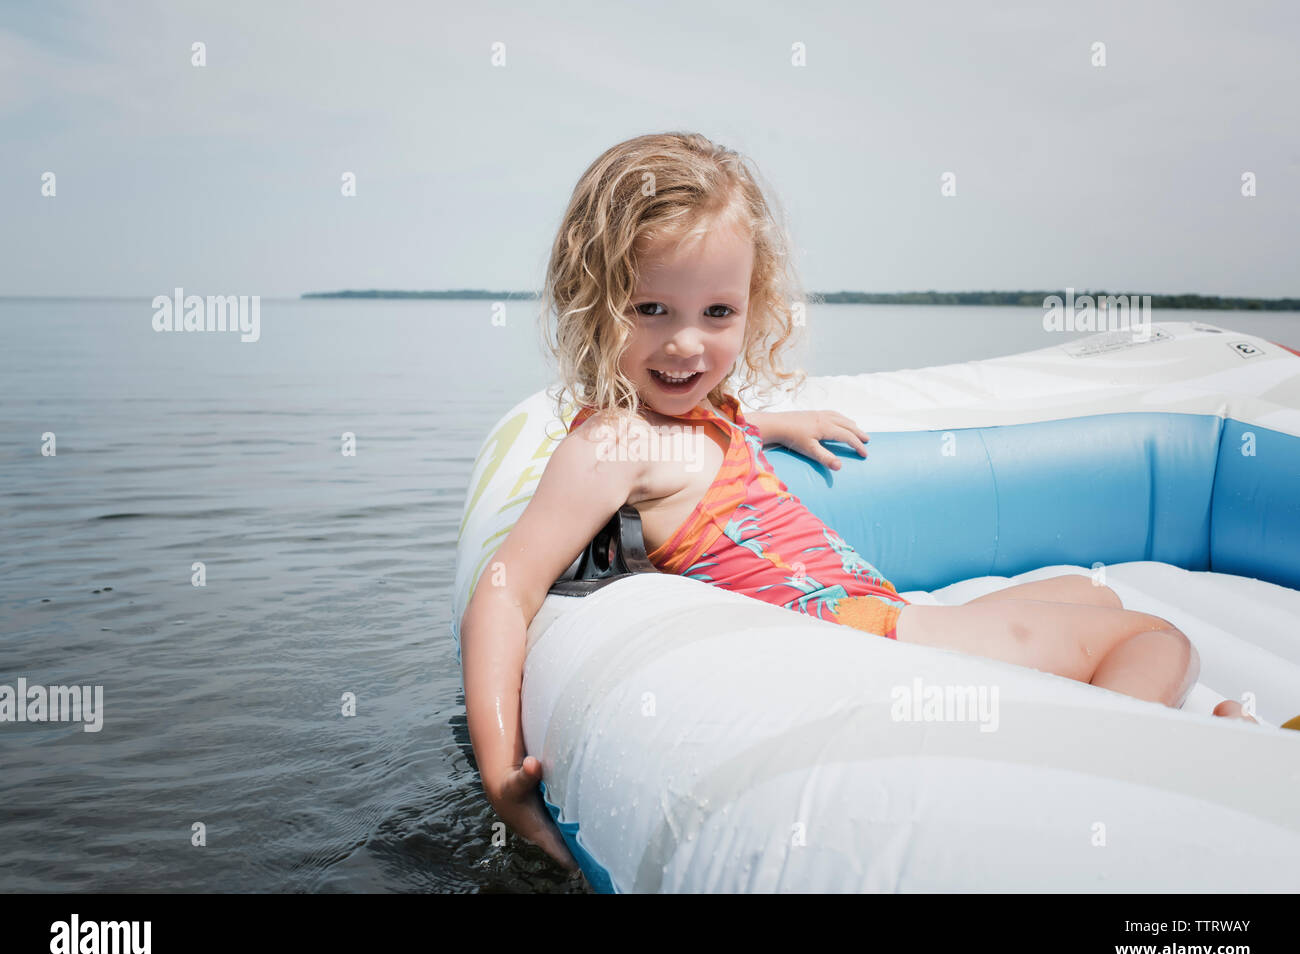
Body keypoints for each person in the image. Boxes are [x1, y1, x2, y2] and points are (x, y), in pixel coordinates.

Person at [458, 132, 1257, 875]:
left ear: (751, 302)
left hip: (877, 609)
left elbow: (703, 452)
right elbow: (505, 590)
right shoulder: (612, 445)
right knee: (1155, 639)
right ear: (593, 301)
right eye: (651, 309)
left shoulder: (692, 417)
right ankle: (1141, 770)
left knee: (1091, 591)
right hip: (875, 637)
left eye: (718, 313)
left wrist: (775, 423)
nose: (687, 345)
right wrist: (502, 775)